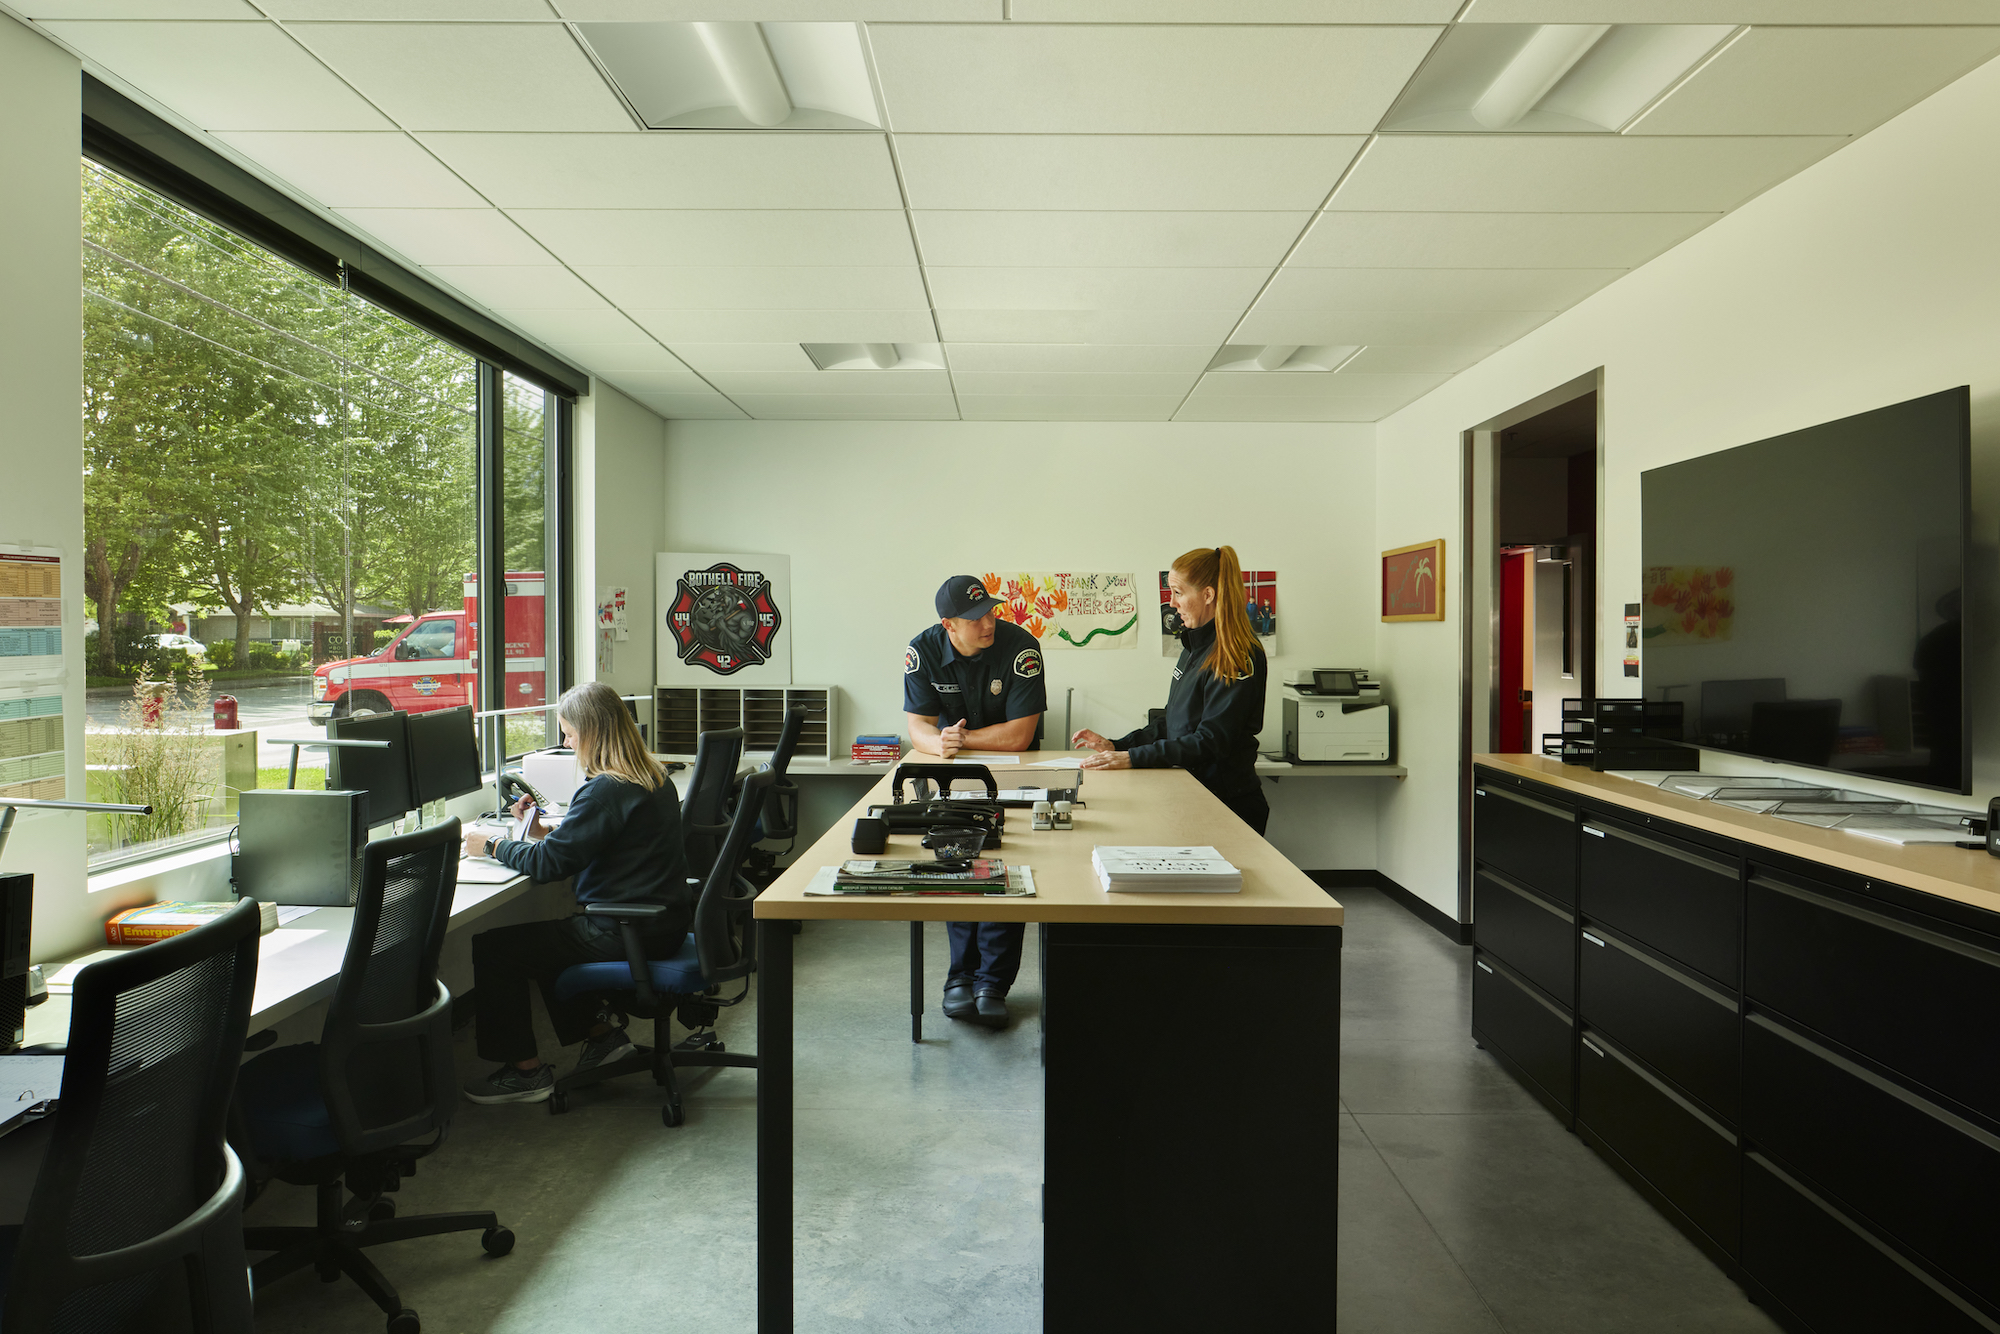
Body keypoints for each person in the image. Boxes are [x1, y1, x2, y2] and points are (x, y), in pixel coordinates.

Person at [458, 681, 692, 1104]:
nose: (566, 742)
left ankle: (525, 1073)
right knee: (548, 938)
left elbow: (549, 866)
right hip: (663, 922)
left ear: (593, 732)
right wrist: (545, 829)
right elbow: (599, 839)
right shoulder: (651, 776)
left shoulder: (605, 789)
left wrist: (490, 845)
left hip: (626, 928)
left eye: (568, 733)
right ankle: (601, 1038)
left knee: (497, 949)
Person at [904, 575, 1047, 1029]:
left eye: (990, 610)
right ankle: (960, 979)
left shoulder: (1020, 647)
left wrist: (957, 741)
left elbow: (1020, 734)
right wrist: (938, 744)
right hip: (955, 778)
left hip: (1014, 774)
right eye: (975, 617)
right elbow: (918, 727)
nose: (989, 621)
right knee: (959, 864)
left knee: (1008, 866)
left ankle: (993, 983)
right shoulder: (922, 649)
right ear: (948, 624)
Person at [1072, 546, 1271, 834]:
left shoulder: (1237, 654)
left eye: (1178, 593)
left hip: (1227, 804)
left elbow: (1210, 741)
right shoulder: (1194, 647)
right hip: (1190, 794)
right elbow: (1173, 722)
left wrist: (1132, 758)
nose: (1172, 603)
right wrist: (1119, 746)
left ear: (1208, 595)